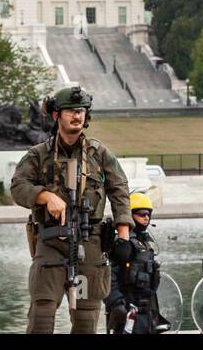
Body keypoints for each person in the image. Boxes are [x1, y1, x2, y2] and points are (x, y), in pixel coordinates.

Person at [11, 86, 132, 333]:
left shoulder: (99, 154)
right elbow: (18, 186)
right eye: (70, 111)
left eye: (81, 111)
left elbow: (120, 190)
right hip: (51, 242)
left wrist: (124, 236)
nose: (77, 116)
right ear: (56, 116)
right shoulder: (39, 155)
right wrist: (45, 197)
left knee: (86, 317)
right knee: (41, 314)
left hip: (89, 244)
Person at [106, 193, 170, 333]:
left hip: (148, 312)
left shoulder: (146, 243)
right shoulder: (124, 245)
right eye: (141, 214)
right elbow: (108, 276)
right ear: (131, 215)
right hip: (129, 313)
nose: (146, 217)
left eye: (148, 214)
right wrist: (117, 303)